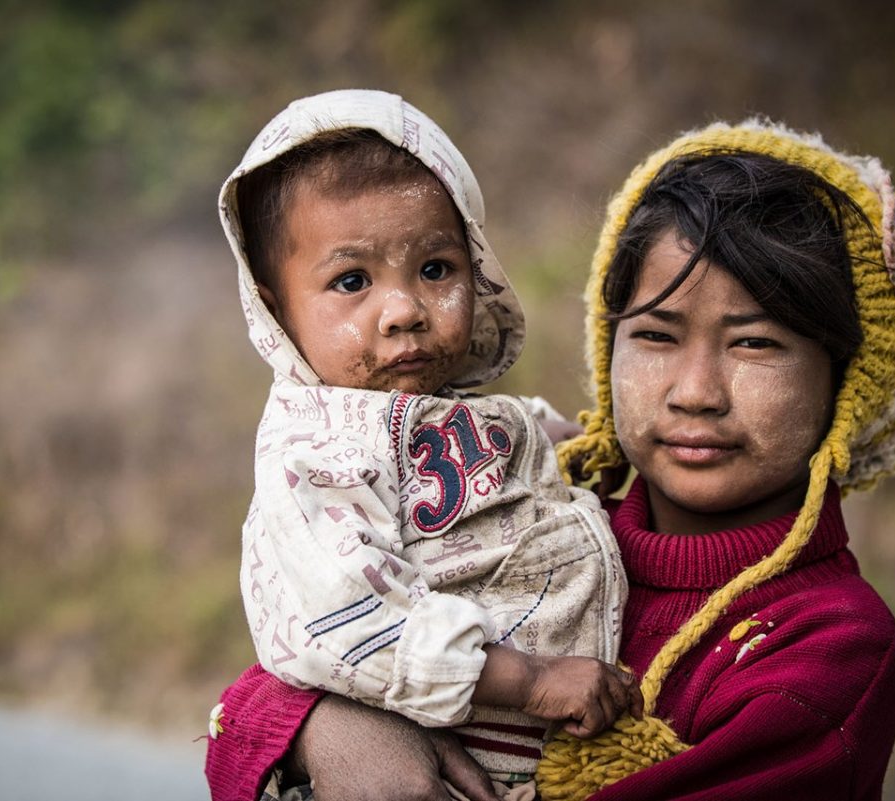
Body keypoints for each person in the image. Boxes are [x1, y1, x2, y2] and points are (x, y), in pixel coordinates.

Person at [204, 118, 895, 801]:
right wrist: (314, 726)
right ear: (606, 341)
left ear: (844, 379)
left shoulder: (827, 650)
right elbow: (325, 623)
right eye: (656, 335)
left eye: (754, 342)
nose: (696, 392)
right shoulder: (532, 514)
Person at [215, 89, 638, 795]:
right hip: (451, 761)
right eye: (352, 281)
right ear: (277, 307)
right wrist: (532, 683)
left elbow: (488, 442)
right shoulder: (316, 457)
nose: (405, 309)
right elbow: (355, 623)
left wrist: (563, 438)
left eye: (435, 269)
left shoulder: (424, 409)